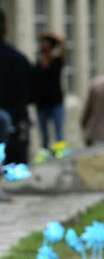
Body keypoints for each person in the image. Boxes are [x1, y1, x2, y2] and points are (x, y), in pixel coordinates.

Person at [0, 9, 32, 165]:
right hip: (15, 124)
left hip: (13, 123)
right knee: (14, 171)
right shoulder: (18, 59)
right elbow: (30, 93)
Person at [30, 32, 66, 152]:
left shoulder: (57, 61)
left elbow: (63, 48)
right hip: (42, 103)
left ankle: (60, 153)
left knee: (59, 132)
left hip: (56, 101)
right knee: (44, 135)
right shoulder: (38, 64)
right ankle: (45, 153)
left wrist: (56, 39)